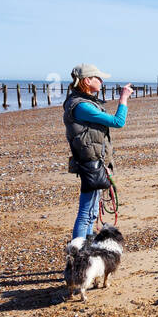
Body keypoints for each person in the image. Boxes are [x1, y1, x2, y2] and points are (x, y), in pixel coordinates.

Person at [62, 64, 132, 239]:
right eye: (98, 78)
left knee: (92, 212)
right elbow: (118, 121)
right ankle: (79, 256)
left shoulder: (84, 102)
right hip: (90, 163)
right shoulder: (82, 106)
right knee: (86, 212)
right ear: (87, 80)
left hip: (95, 162)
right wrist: (123, 99)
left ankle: (87, 250)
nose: (101, 81)